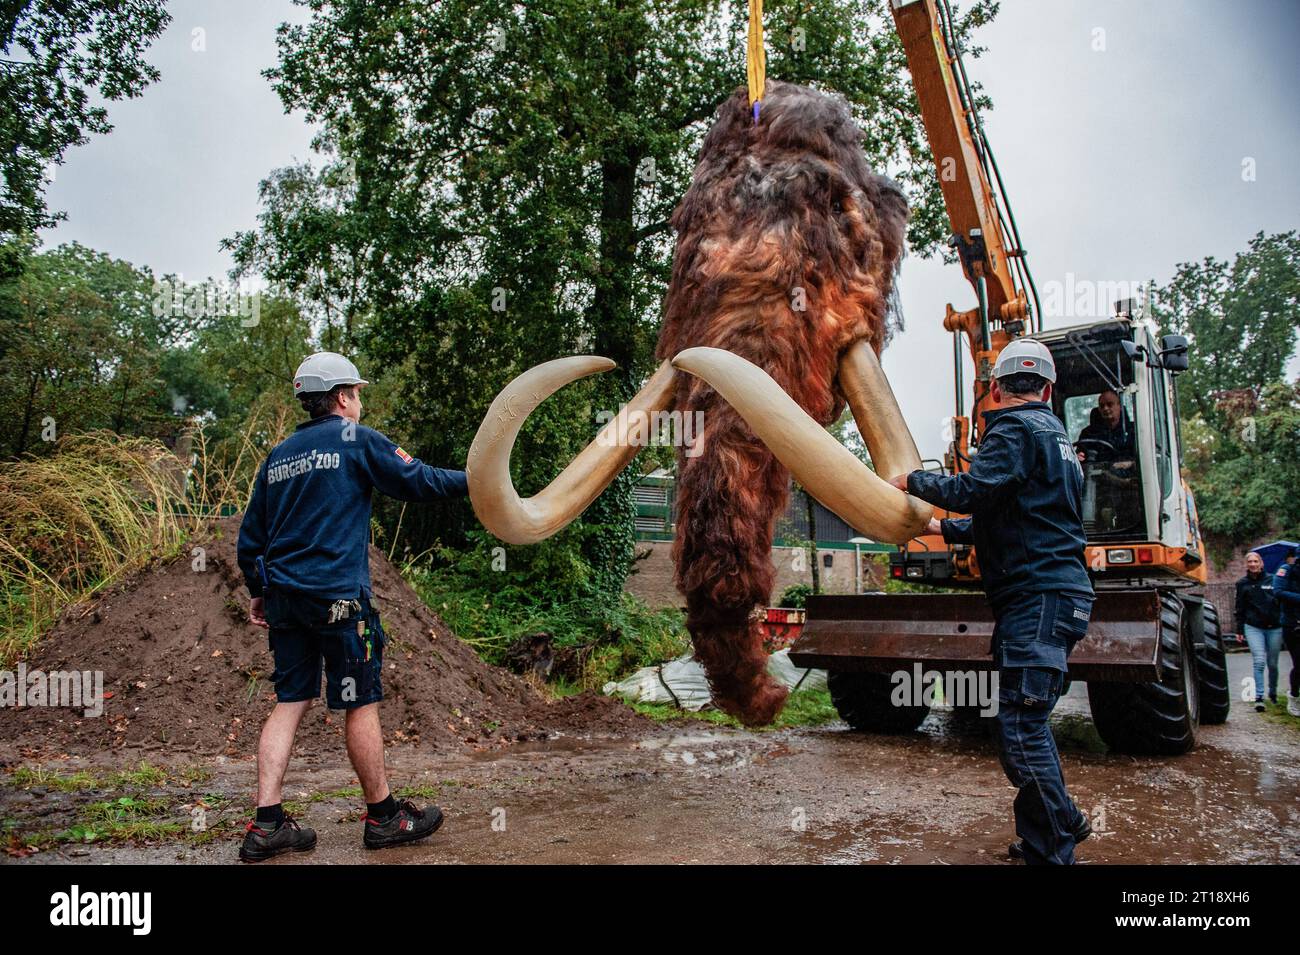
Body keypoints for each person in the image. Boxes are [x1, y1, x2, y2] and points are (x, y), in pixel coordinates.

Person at [235, 352, 469, 862]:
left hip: (287, 602)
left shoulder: (277, 457)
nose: (360, 401)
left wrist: (259, 590)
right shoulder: (356, 440)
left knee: (291, 700)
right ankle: (385, 818)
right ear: (342, 397)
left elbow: (250, 539)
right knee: (359, 702)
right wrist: (478, 478)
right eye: (357, 393)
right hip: (339, 600)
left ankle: (267, 825)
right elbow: (421, 480)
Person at [890, 338, 1095, 865]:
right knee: (1023, 720)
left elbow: (976, 489)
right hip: (1056, 595)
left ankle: (1058, 841)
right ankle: (1046, 833)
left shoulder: (1012, 428)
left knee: (1021, 726)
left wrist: (911, 481)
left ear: (997, 389)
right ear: (1049, 388)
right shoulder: (1057, 439)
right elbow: (1016, 513)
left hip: (1038, 598)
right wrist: (942, 528)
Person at [1235, 551, 1282, 712]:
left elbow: (1281, 601)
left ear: (1261, 563)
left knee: (1273, 664)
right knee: (1259, 661)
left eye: (1256, 561)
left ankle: (1273, 692)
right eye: (1250, 562)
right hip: (1253, 627)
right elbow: (1239, 607)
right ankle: (1259, 697)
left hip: (1274, 627)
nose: (1253, 564)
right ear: (1247, 565)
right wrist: (1239, 629)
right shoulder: (1242, 584)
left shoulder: (1273, 580)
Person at [1273, 545, 1300, 717]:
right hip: (1293, 624)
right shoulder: (1286, 571)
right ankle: (1294, 697)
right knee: (1299, 664)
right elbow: (1278, 591)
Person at [1076, 388, 1135, 464]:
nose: (1105, 408)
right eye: (1102, 406)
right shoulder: (1087, 434)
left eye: (1110, 404)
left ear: (1119, 406)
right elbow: (1081, 459)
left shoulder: (1133, 431)